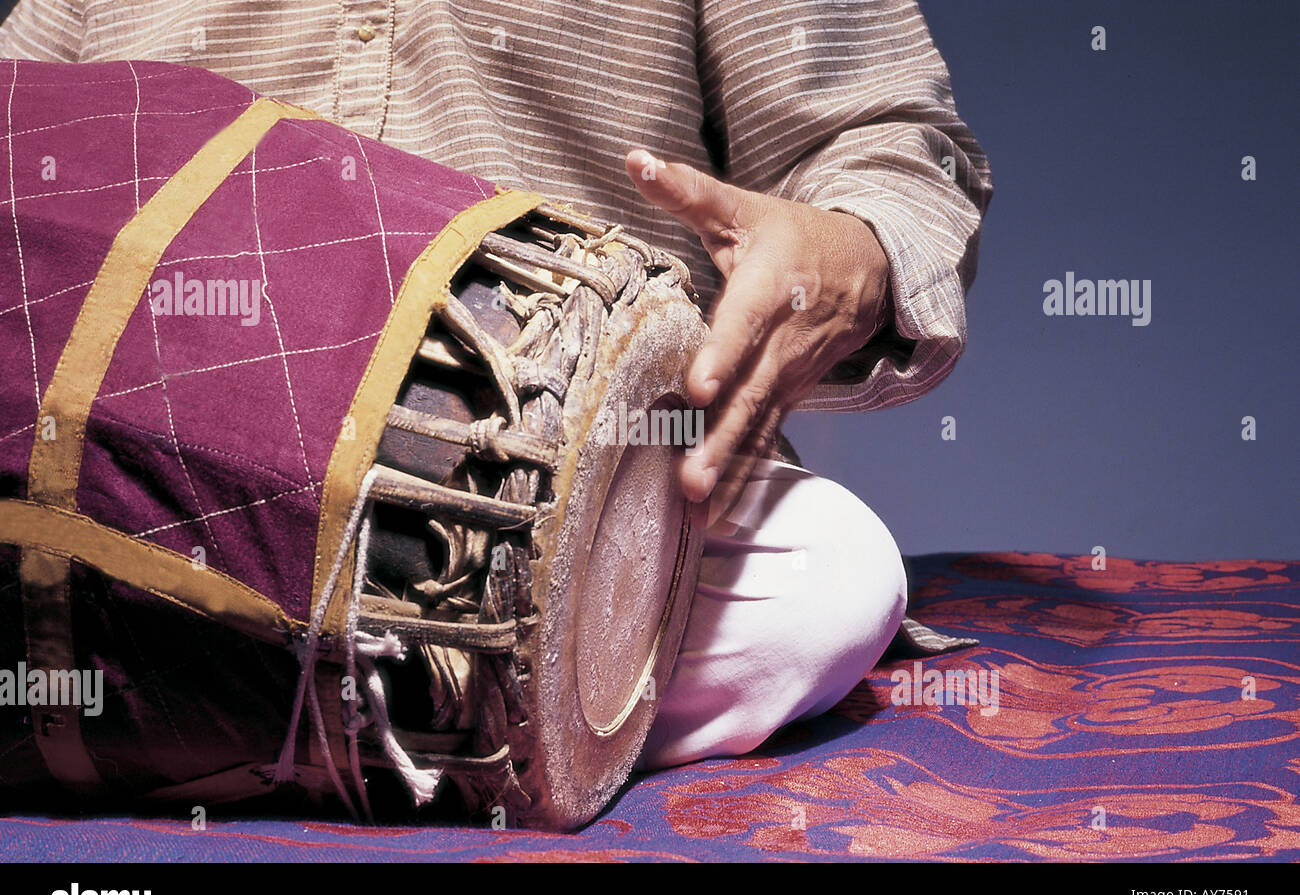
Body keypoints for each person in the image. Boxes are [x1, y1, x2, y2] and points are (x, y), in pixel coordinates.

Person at [0, 0, 993, 769]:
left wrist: (847, 247)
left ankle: (186, 694)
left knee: (828, 578)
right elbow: (19, 128)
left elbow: (885, 142)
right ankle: (403, 714)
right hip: (140, 470)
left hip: (557, 482)